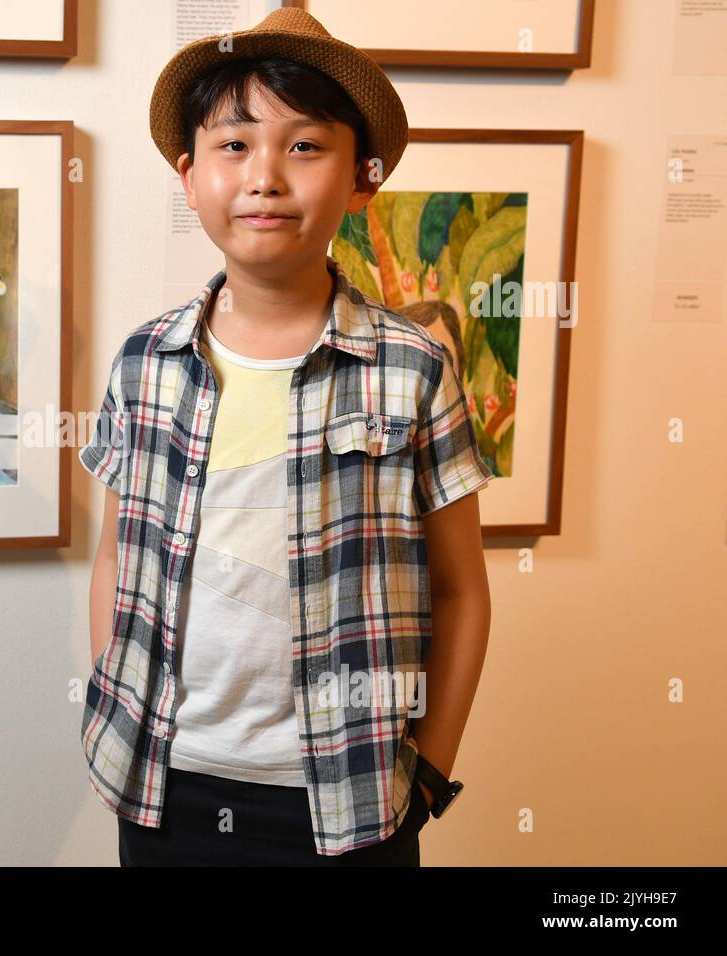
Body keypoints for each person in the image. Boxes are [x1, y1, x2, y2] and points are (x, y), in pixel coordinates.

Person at [79, 7, 495, 866]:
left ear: (360, 179)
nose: (265, 176)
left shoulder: (413, 369)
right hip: (165, 786)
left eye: (305, 147)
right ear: (190, 176)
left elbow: (462, 590)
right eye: (234, 146)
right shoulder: (143, 363)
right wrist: (118, 712)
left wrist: (430, 772)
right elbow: (119, 559)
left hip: (350, 798)